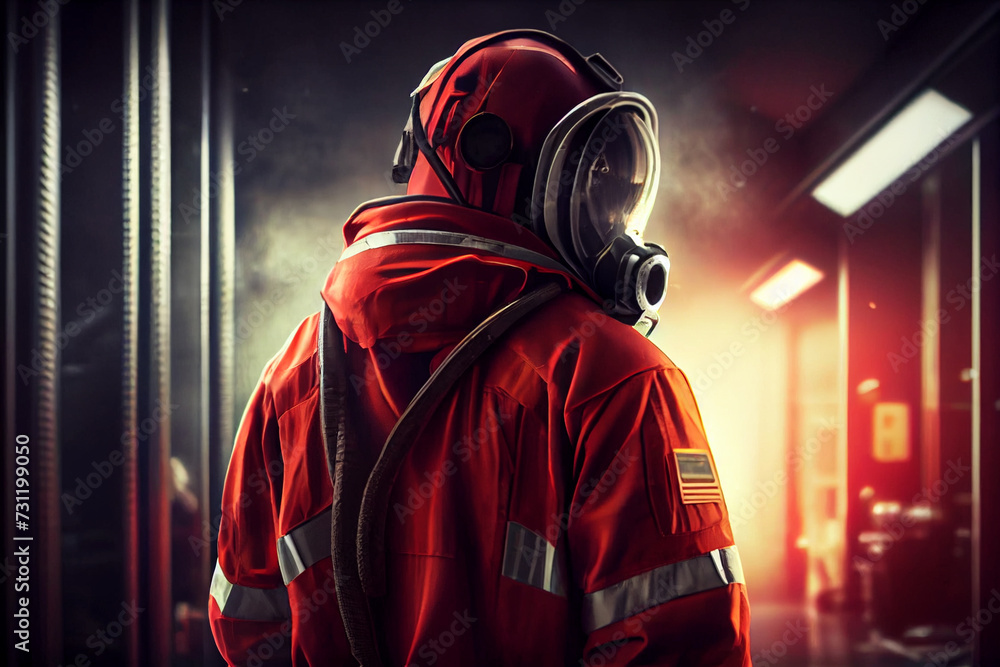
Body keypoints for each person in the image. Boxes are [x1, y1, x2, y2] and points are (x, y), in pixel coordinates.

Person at [209, 29, 750, 667]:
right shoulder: (615, 377)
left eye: (614, 188)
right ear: (506, 173)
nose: (610, 218)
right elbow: (681, 644)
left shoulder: (292, 376)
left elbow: (247, 627)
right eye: (591, 180)